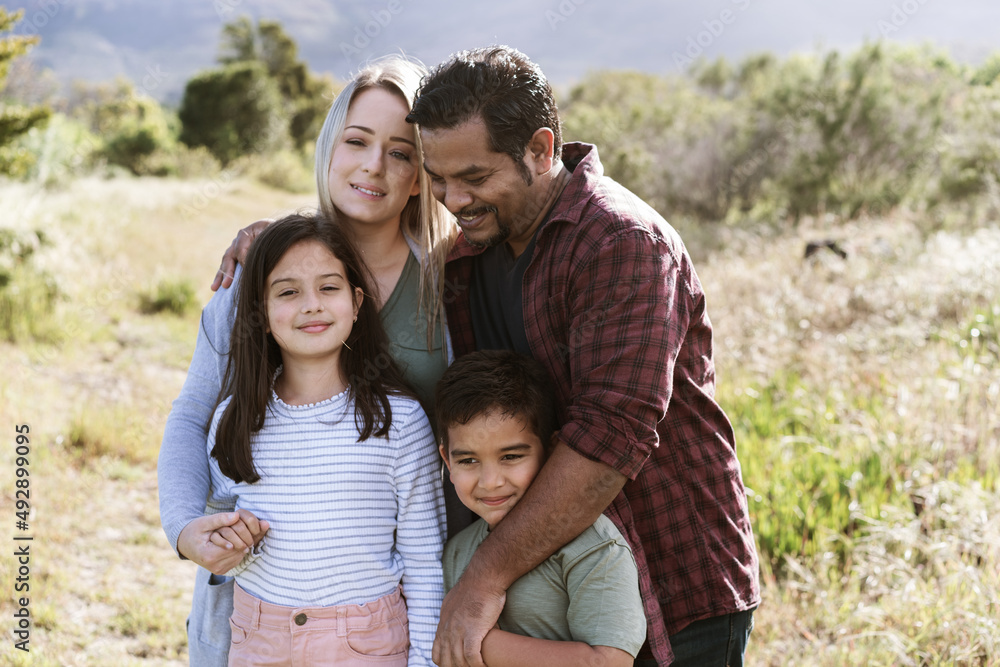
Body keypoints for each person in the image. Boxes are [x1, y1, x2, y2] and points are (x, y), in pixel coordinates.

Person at [406, 45, 761, 667]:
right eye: (438, 178)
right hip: (548, 593)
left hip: (673, 579)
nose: (453, 200)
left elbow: (611, 433)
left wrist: (481, 580)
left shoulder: (620, 241)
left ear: (541, 150)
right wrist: (266, 248)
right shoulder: (468, 254)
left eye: (475, 178)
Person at [157, 55, 461, 667]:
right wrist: (187, 528)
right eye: (356, 140)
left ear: (422, 173)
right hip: (265, 602)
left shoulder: (451, 282)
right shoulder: (261, 271)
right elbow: (194, 414)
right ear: (329, 147)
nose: (373, 165)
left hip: (389, 601)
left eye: (401, 152)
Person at [203, 211, 443, 665]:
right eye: (289, 292)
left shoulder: (399, 421)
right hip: (259, 637)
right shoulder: (233, 420)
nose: (311, 304)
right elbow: (218, 527)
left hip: (366, 644)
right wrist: (227, 545)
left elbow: (425, 562)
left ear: (356, 302)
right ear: (263, 313)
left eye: (328, 288)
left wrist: (425, 662)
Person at [436, 350, 646, 667]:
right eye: (468, 461)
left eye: (510, 457)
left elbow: (609, 662)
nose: (490, 482)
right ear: (446, 460)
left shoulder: (594, 546)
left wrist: (474, 642)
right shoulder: (458, 551)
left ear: (550, 451)